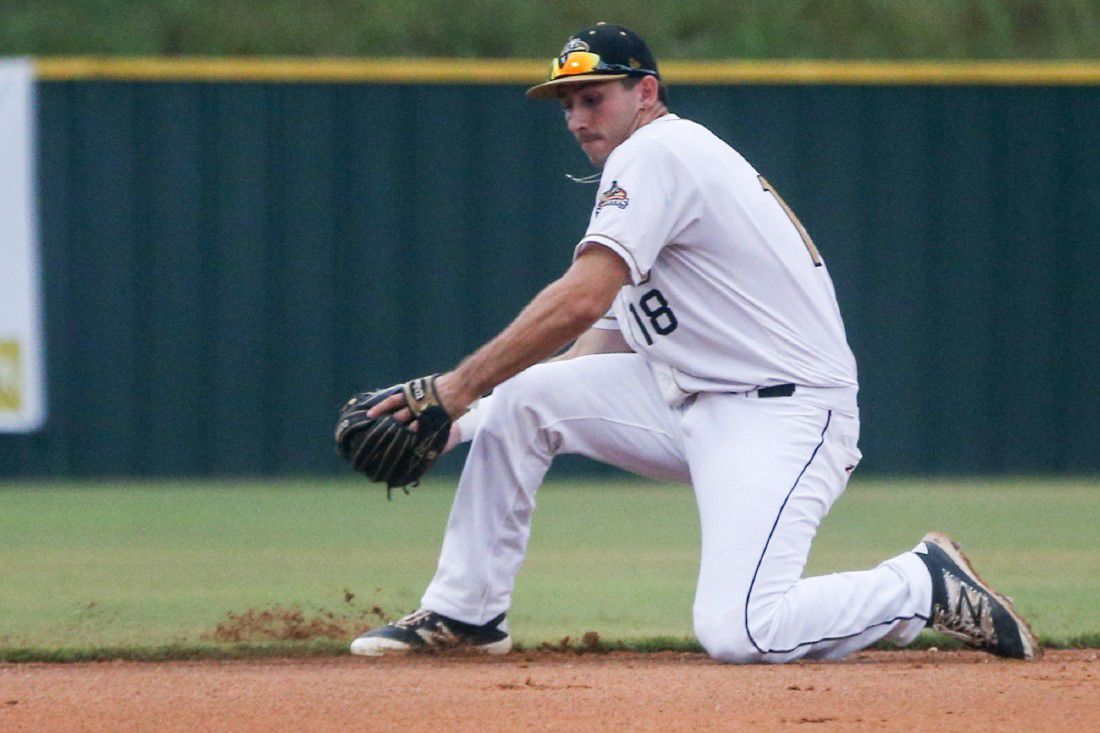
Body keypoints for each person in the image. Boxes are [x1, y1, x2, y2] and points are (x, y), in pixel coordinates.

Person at [350, 23, 1039, 662]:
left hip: (782, 414)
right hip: (689, 399)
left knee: (743, 629)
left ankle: (920, 584)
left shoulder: (658, 152)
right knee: (529, 399)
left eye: (592, 98)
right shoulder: (649, 165)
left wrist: (453, 387)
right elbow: (598, 344)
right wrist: (459, 420)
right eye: (566, 105)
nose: (578, 119)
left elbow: (582, 295)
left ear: (645, 92)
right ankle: (466, 611)